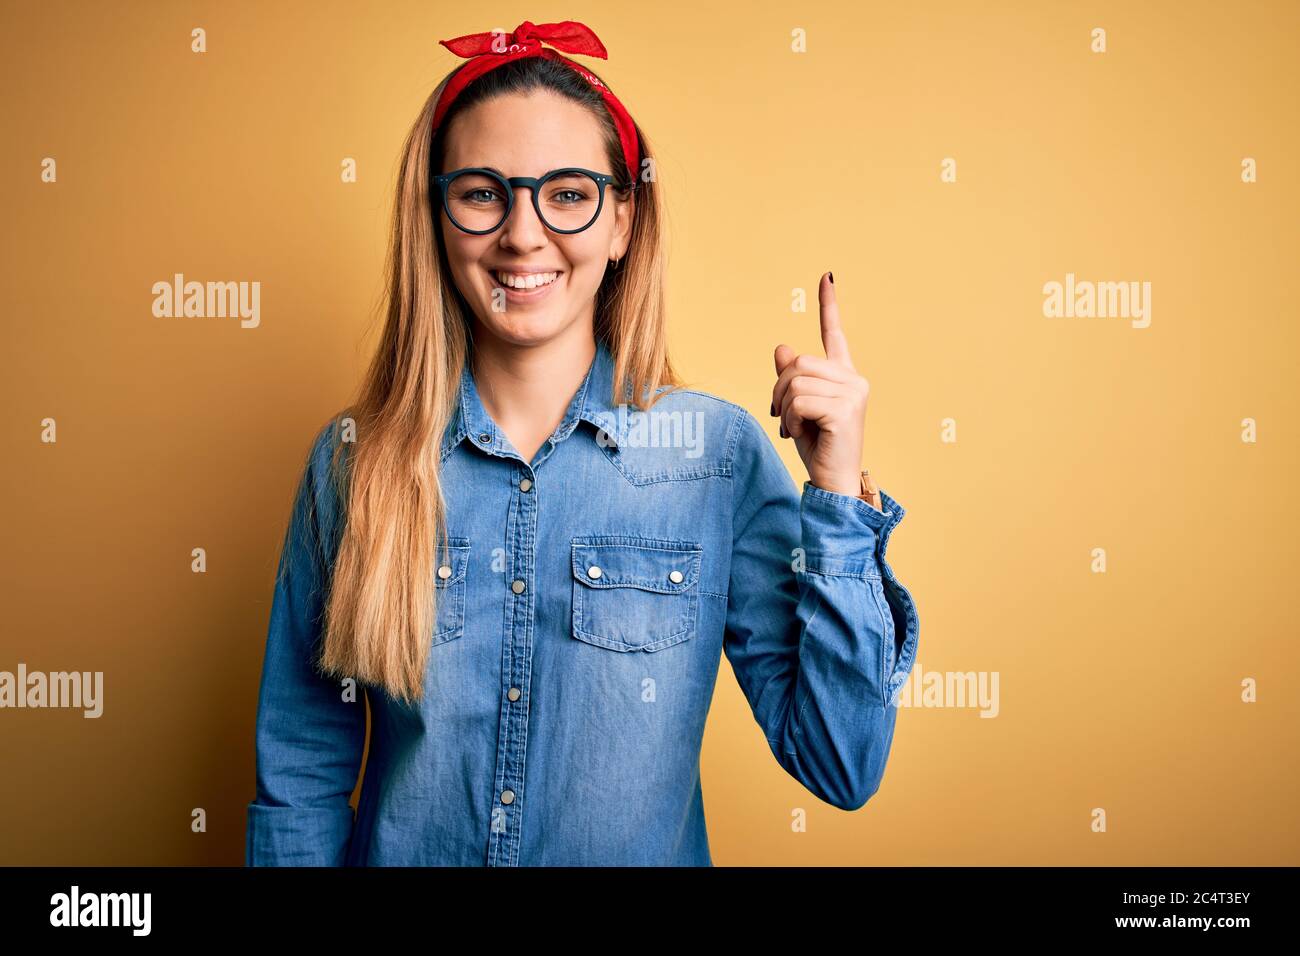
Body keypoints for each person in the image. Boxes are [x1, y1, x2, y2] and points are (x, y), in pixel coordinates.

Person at [245, 19, 919, 866]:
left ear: (624, 222)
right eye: (483, 192)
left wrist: (836, 493)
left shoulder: (714, 458)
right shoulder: (350, 464)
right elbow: (301, 776)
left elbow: (841, 761)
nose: (523, 235)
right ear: (436, 216)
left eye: (567, 193)